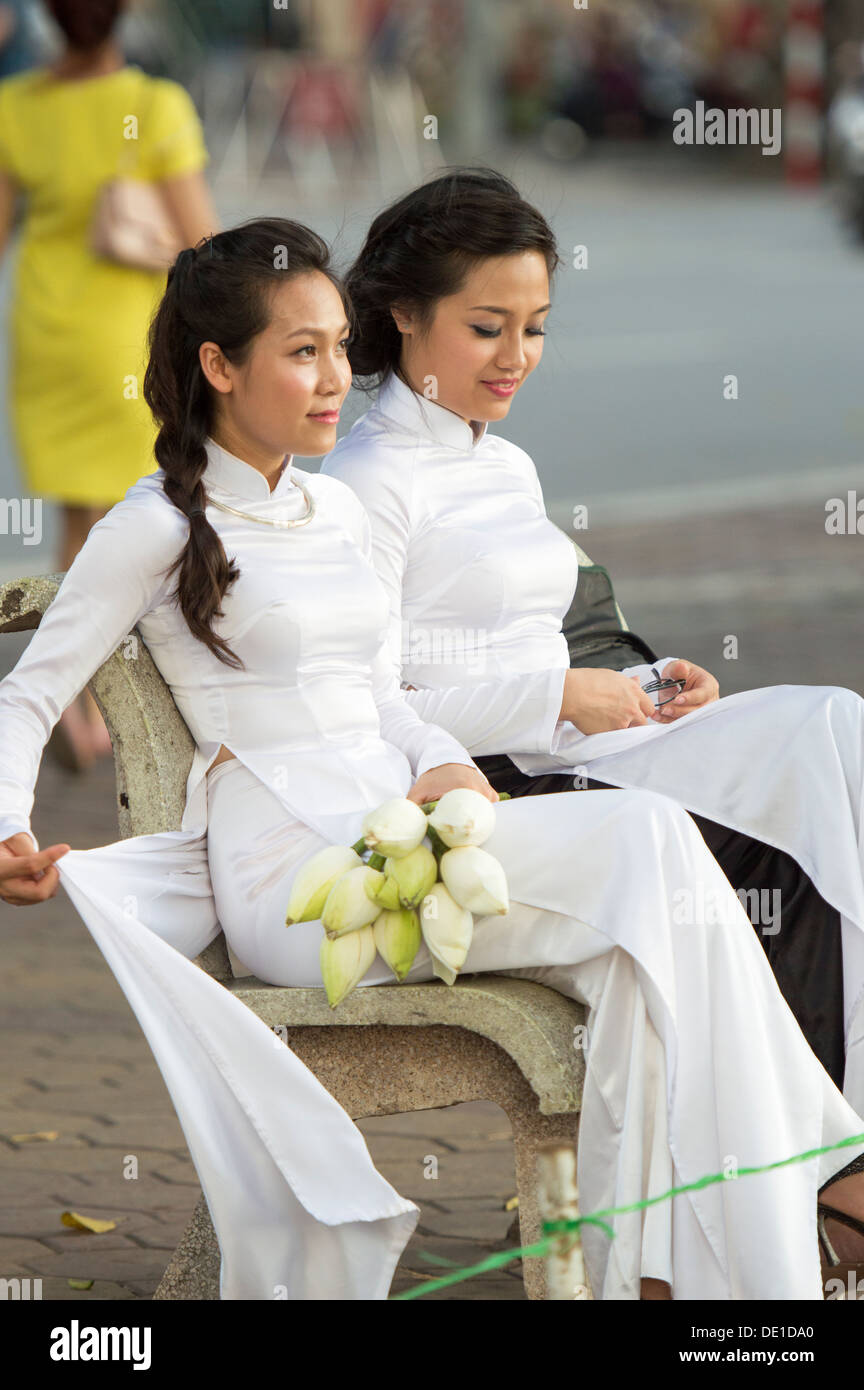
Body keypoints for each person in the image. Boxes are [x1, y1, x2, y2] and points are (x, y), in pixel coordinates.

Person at [1, 218, 864, 1302]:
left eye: (336, 345)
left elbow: (381, 701)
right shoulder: (158, 524)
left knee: (644, 946)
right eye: (300, 352)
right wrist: (7, 826)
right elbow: (29, 691)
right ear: (219, 366)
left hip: (396, 828)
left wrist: (448, 763)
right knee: (648, 846)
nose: (334, 377)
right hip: (297, 879)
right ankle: (819, 1187)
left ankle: (664, 1273)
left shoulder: (333, 508)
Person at [322, 166, 864, 1119]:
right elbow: (369, 705)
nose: (516, 357)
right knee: (783, 846)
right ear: (403, 314)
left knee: (833, 736)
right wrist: (557, 698)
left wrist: (645, 681)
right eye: (487, 328)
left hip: (585, 746)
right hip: (496, 789)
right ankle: (820, 1175)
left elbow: (529, 639)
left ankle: (821, 1156)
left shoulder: (507, 463)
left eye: (533, 329)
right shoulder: (372, 483)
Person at [0, 0, 218, 768]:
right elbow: (202, 243)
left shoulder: (14, 107)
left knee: (75, 519)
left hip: (48, 331)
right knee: (142, 513)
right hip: (126, 335)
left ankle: (77, 708)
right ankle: (127, 695)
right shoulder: (154, 105)